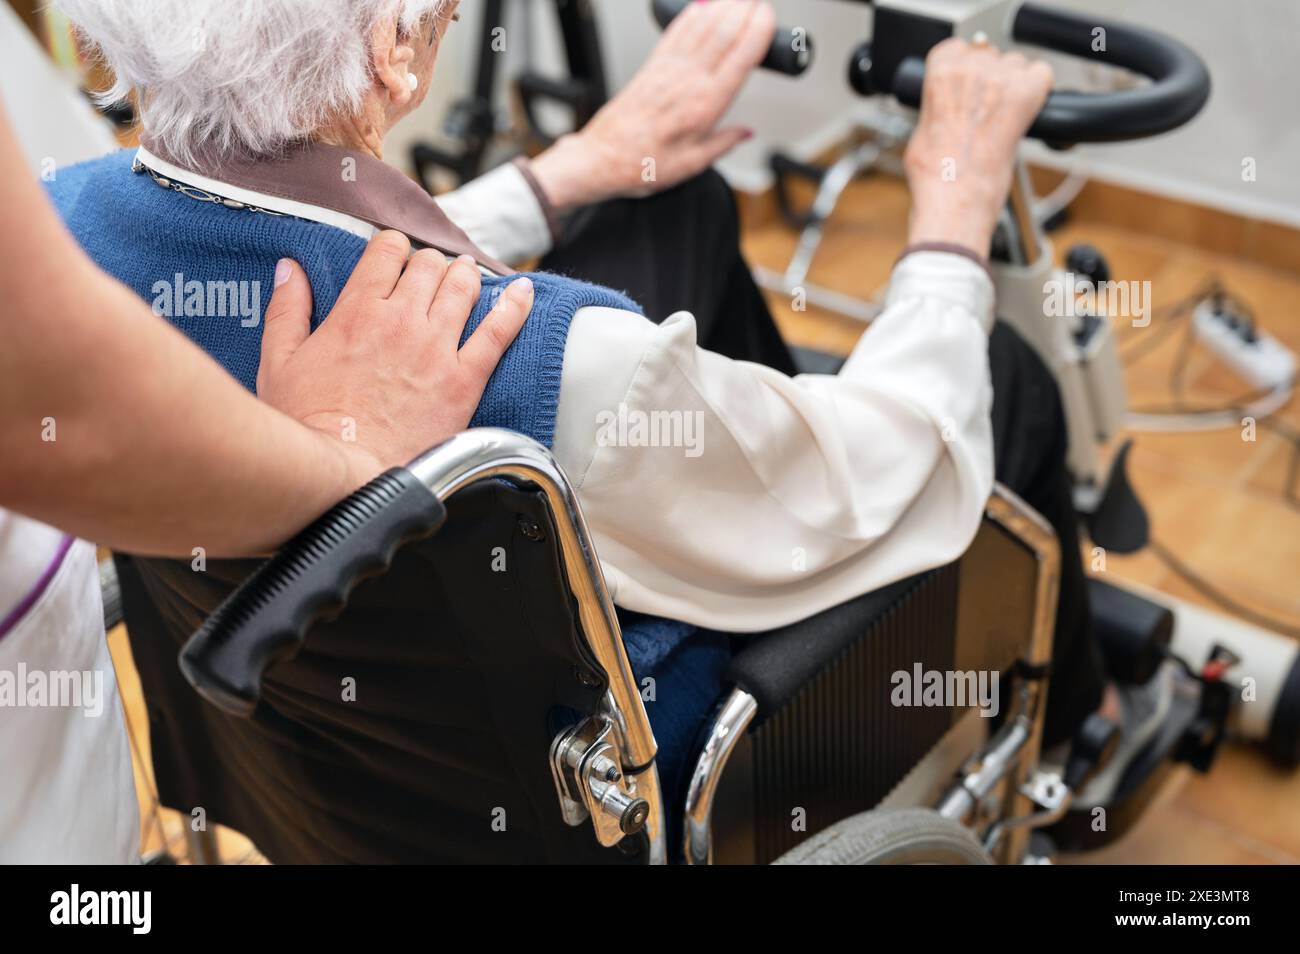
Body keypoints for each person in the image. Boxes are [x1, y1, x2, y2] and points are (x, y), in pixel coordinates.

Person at [50, 0, 1114, 821]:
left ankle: (736, 447)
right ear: (394, 54)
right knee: (1000, 369)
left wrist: (568, 175)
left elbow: (292, 243)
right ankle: (1078, 728)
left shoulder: (56, 247)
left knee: (669, 200)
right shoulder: (582, 375)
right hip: (625, 760)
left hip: (297, 766)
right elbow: (891, 460)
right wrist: (951, 210)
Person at [0, 85, 532, 862]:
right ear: (389, 59)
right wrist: (347, 455)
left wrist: (541, 192)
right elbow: (43, 406)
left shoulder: (90, 216)